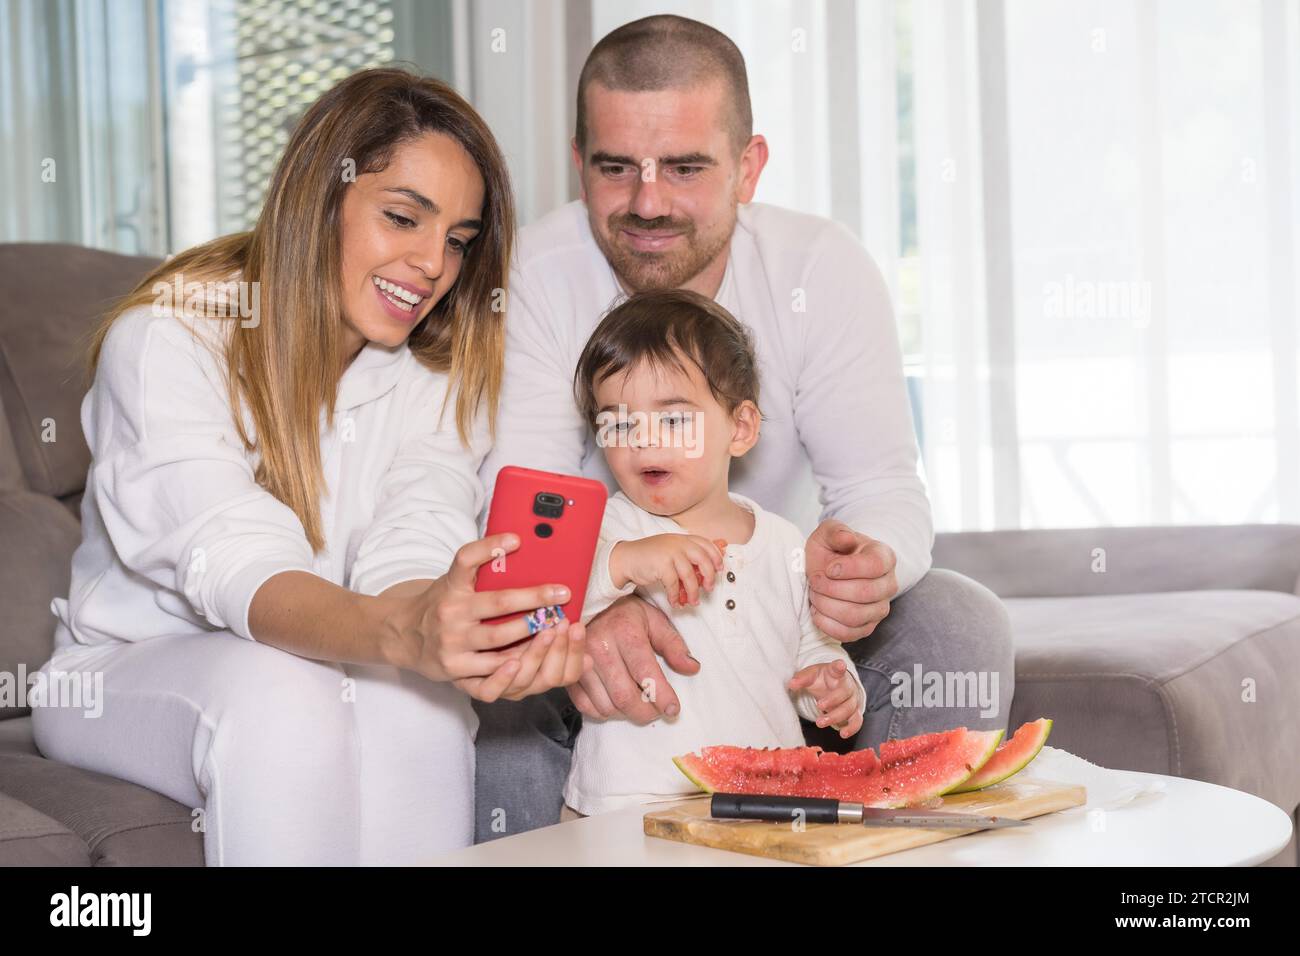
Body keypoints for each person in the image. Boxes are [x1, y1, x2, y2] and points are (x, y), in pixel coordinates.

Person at [472, 15, 1013, 841]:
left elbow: (881, 489)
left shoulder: (820, 269)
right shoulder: (535, 281)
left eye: (686, 168)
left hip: (781, 606)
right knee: (499, 706)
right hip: (587, 606)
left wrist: (863, 566)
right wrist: (597, 608)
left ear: (748, 167)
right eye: (617, 168)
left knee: (959, 620)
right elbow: (525, 524)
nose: (648, 202)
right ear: (580, 165)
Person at [31, 68, 589, 866]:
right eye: (403, 217)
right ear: (319, 198)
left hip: (331, 657)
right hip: (117, 670)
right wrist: (403, 631)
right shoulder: (168, 339)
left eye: (459, 241)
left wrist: (450, 626)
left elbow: (415, 536)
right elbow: (240, 570)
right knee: (282, 695)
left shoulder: (438, 373)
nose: (433, 264)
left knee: (420, 704)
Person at [562, 288, 866, 817]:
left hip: (767, 802)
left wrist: (831, 686)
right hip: (625, 807)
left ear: (741, 428)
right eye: (619, 422)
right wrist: (626, 562)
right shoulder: (608, 526)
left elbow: (809, 650)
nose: (644, 441)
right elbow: (545, 611)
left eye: (674, 419)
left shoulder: (784, 542)